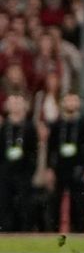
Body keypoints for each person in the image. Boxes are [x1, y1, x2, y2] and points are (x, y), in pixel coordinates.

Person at [47, 93, 84, 232]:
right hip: (60, 168)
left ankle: (79, 230)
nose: (71, 104)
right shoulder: (56, 124)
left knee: (78, 202)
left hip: (78, 168)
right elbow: (51, 148)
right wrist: (49, 169)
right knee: (55, 201)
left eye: (74, 100)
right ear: (62, 103)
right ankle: (53, 231)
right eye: (68, 100)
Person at [0, 95, 37, 231]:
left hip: (24, 173)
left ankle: (25, 231)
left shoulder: (29, 127)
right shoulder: (3, 127)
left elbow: (34, 152)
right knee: (5, 205)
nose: (15, 106)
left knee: (24, 206)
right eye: (13, 103)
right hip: (5, 173)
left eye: (18, 103)